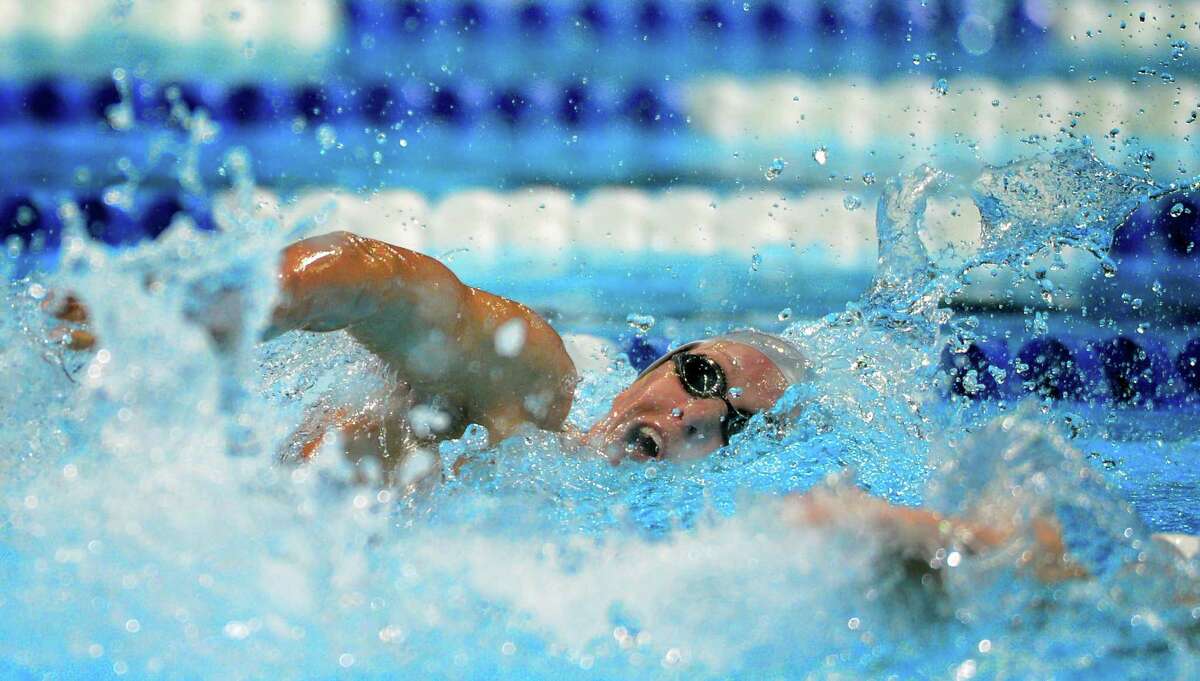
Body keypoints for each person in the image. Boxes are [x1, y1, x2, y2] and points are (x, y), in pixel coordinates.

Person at [48, 230, 1198, 579]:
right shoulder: (533, 393)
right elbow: (369, 280)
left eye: (731, 424)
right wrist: (165, 321)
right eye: (701, 378)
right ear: (657, 366)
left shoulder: (664, 544)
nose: (699, 416)